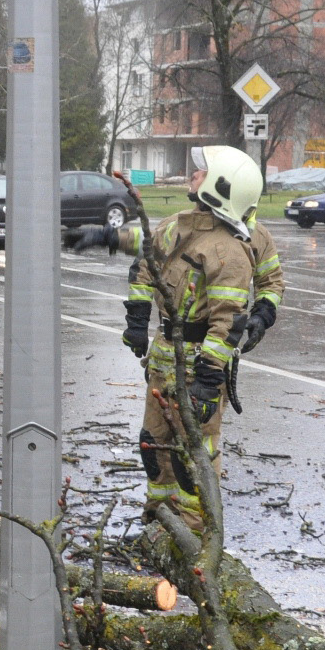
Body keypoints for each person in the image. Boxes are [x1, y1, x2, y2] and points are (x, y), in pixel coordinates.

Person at [77, 145, 284, 532]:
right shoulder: (182, 223)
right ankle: (158, 518)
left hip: (198, 360)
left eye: (202, 171)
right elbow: (149, 247)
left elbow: (233, 315)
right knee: (153, 445)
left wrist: (210, 379)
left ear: (223, 186)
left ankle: (193, 529)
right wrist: (106, 237)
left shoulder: (234, 248)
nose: (193, 173)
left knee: (195, 454)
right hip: (163, 353)